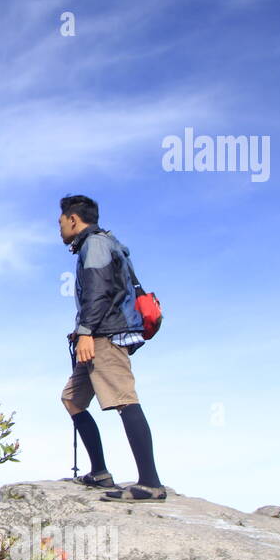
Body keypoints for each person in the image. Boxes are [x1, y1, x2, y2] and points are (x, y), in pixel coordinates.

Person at [57, 194, 168, 501]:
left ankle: (150, 483)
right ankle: (100, 473)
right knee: (72, 399)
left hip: (105, 335)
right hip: (99, 332)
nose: (60, 228)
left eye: (61, 221)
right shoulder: (103, 243)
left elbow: (99, 291)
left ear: (74, 220)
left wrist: (85, 332)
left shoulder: (95, 245)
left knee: (124, 400)